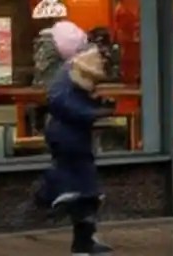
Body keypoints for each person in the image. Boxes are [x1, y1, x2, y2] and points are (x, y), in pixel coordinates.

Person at [36, 20, 115, 255]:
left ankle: (84, 240)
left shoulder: (73, 71)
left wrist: (97, 107)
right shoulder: (68, 74)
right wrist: (93, 113)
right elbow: (60, 101)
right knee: (85, 189)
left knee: (87, 193)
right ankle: (50, 191)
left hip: (73, 136)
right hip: (68, 136)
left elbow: (73, 99)